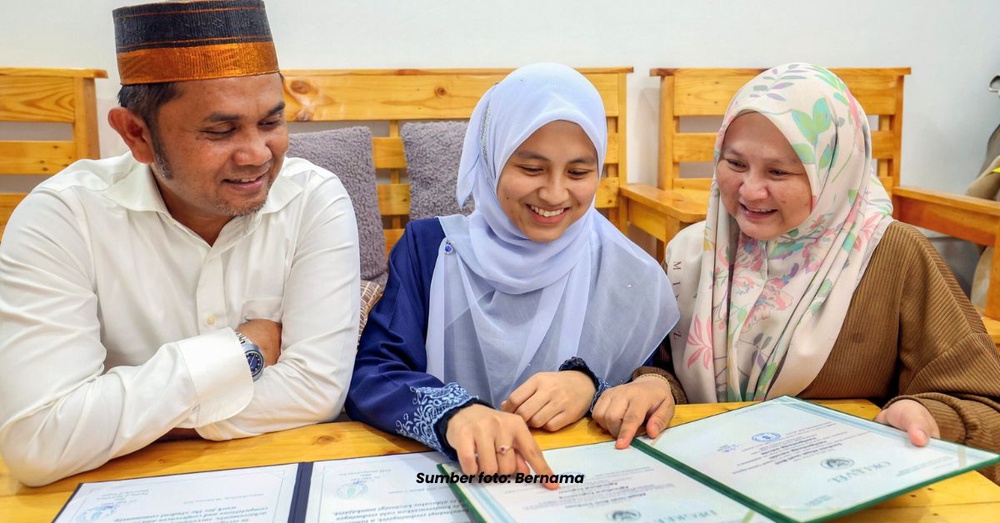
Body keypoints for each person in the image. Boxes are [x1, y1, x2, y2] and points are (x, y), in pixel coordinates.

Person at [0, 0, 360, 486]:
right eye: (221, 130)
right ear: (136, 133)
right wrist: (242, 349)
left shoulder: (314, 199)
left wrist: (120, 422)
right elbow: (39, 441)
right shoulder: (63, 218)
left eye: (272, 123)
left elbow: (317, 392)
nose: (257, 154)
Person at [594, 63, 1000, 483]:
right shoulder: (695, 253)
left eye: (779, 172)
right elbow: (662, 368)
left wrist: (927, 416)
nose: (750, 190)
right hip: (708, 482)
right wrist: (653, 387)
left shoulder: (893, 256)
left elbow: (982, 403)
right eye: (735, 163)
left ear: (832, 171)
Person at [345, 63, 678, 483]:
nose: (555, 193)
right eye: (532, 169)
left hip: (576, 481)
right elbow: (372, 374)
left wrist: (592, 387)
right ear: (492, 159)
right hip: (455, 475)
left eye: (578, 172)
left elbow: (645, 383)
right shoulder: (430, 249)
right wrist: (453, 414)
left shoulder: (628, 271)